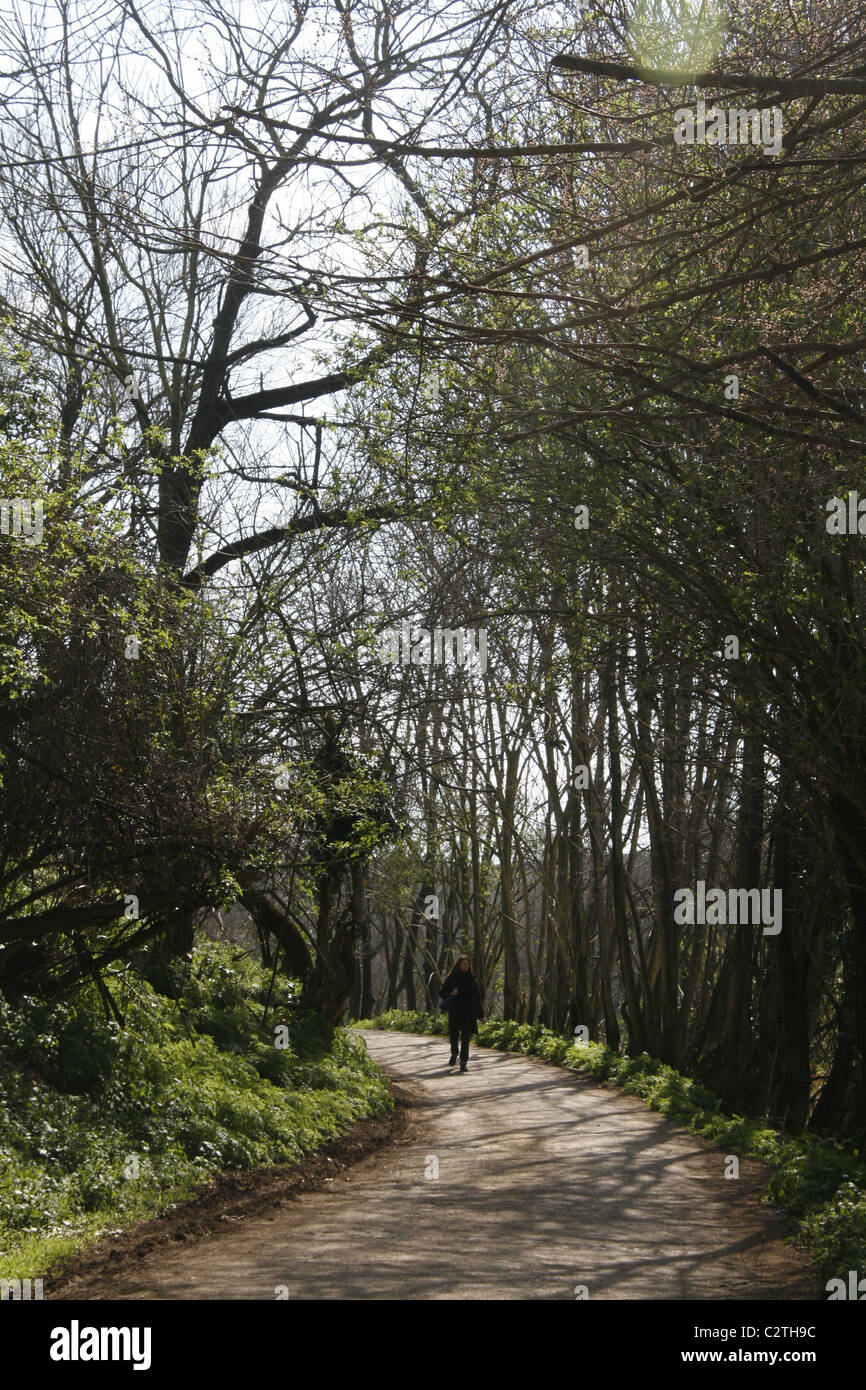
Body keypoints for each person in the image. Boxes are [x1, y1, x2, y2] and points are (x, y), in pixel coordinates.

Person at [439, 954, 486, 1073]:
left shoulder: (472, 980)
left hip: (468, 1013)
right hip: (455, 1011)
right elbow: (442, 993)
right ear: (459, 965)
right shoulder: (452, 978)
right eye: (463, 964)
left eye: (467, 964)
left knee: (466, 1038)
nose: (466, 966)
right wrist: (451, 993)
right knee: (454, 1035)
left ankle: (464, 1062)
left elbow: (477, 999)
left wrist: (481, 1016)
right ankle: (454, 1053)